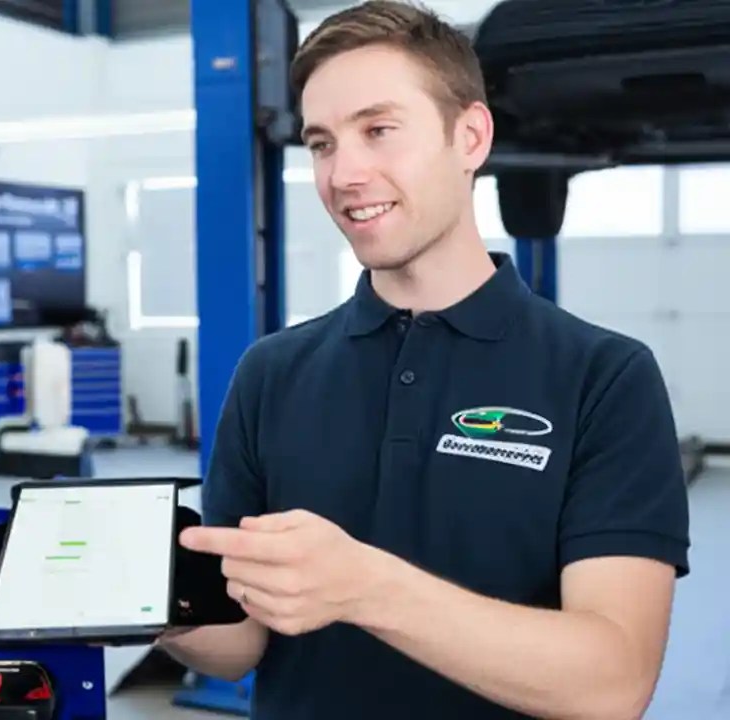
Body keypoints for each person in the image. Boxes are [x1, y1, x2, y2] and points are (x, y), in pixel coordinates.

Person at [162, 2, 690, 719]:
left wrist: (364, 586)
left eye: (378, 131)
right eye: (321, 144)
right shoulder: (272, 373)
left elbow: (611, 682)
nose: (344, 174)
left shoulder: (604, 378)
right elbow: (243, 642)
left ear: (469, 136)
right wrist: (159, 606)